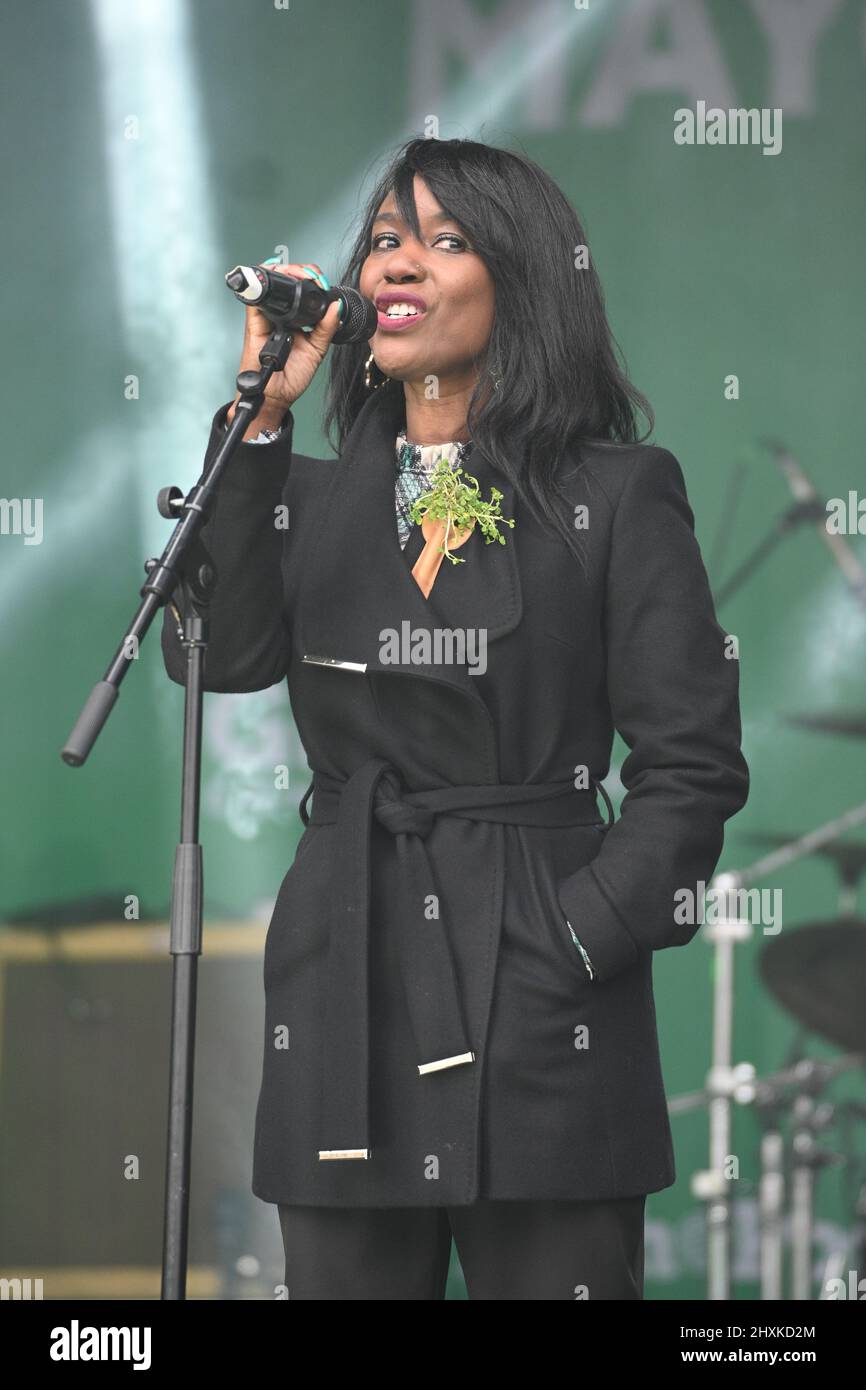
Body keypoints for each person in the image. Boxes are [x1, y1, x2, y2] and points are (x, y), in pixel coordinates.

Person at [161, 137, 749, 1300]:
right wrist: (260, 430)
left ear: (521, 280)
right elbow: (216, 658)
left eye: (442, 238)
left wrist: (576, 935)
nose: (399, 263)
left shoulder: (616, 492)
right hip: (349, 984)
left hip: (545, 1004)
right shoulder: (305, 490)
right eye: (384, 239)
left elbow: (690, 765)